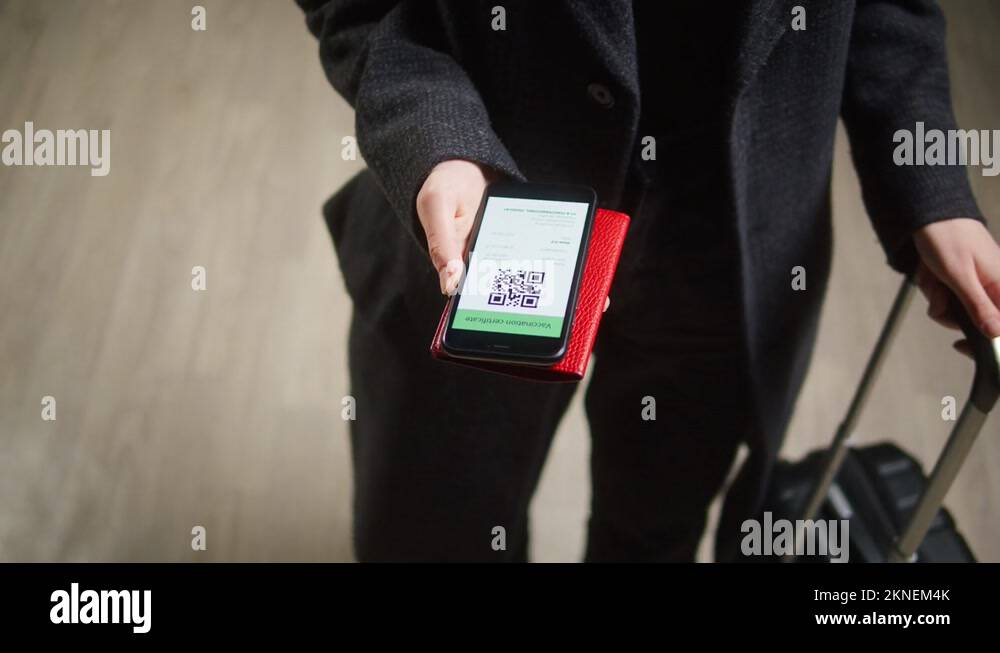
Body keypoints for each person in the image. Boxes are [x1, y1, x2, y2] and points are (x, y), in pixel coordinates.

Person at [296, 0, 1000, 561]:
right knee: (435, 529)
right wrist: (434, 136)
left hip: (729, 240)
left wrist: (926, 184)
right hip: (487, 213)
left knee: (654, 535)